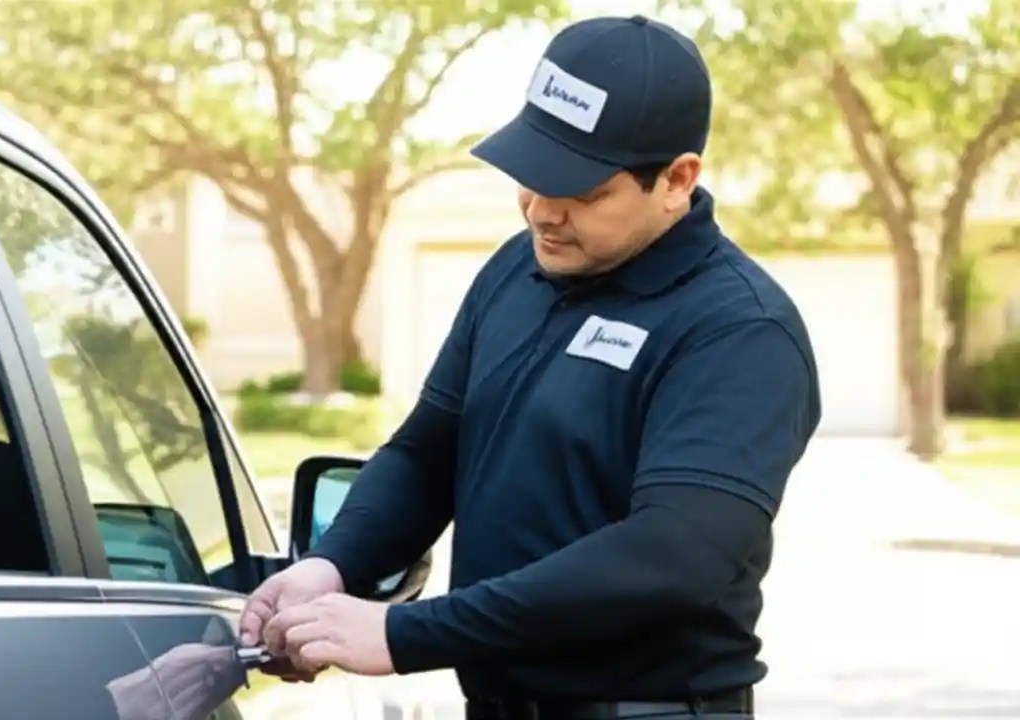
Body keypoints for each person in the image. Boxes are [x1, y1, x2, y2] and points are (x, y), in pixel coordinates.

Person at [239, 13, 822, 720]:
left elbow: (668, 559)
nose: (543, 212)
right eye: (532, 178)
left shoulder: (738, 330)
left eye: (581, 193)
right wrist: (331, 567)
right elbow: (431, 450)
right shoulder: (517, 270)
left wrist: (404, 633)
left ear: (676, 179)